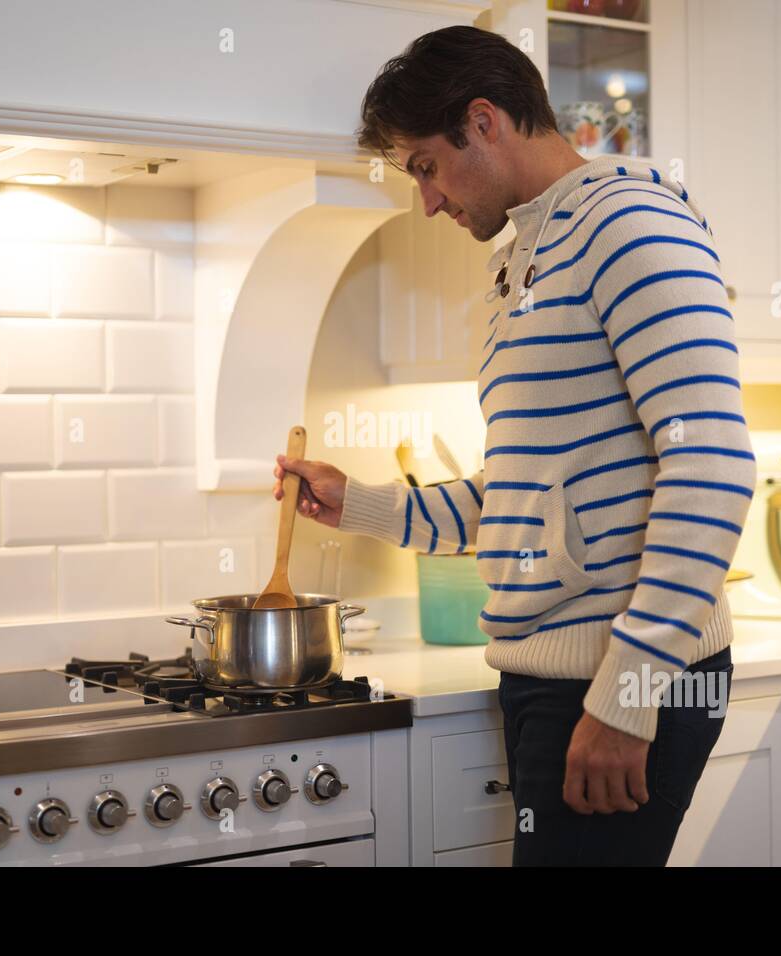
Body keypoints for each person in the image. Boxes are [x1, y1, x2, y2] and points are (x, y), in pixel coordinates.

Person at [272, 25, 755, 865]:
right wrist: (365, 505)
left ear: (484, 120)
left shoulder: (631, 226)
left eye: (424, 164)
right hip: (549, 676)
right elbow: (523, 493)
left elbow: (711, 465)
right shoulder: (522, 263)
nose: (425, 199)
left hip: (623, 675)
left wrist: (626, 695)